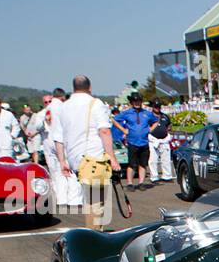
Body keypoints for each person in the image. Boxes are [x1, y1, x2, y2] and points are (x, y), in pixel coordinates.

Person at [50, 74, 121, 222]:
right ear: (90, 87)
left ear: (73, 88)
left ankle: (95, 231)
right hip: (93, 159)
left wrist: (62, 161)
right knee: (96, 205)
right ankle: (94, 234)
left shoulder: (64, 107)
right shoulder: (95, 104)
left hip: (74, 159)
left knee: (90, 201)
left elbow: (58, 137)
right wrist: (112, 158)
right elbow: (104, 131)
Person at [116, 93, 156, 189]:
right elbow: (115, 120)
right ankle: (130, 183)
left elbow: (155, 120)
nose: (137, 103)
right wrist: (123, 130)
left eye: (138, 101)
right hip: (132, 142)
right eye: (135, 101)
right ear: (132, 102)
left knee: (143, 164)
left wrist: (150, 129)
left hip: (144, 142)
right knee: (132, 164)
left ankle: (141, 182)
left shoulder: (147, 113)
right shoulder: (127, 113)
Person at [147, 100, 173, 183]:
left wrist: (167, 129)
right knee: (153, 160)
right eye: (156, 106)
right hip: (153, 140)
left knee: (166, 159)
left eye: (158, 107)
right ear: (153, 107)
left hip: (164, 140)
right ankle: (154, 177)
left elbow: (169, 125)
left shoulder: (164, 116)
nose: (157, 108)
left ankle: (167, 176)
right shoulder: (149, 116)